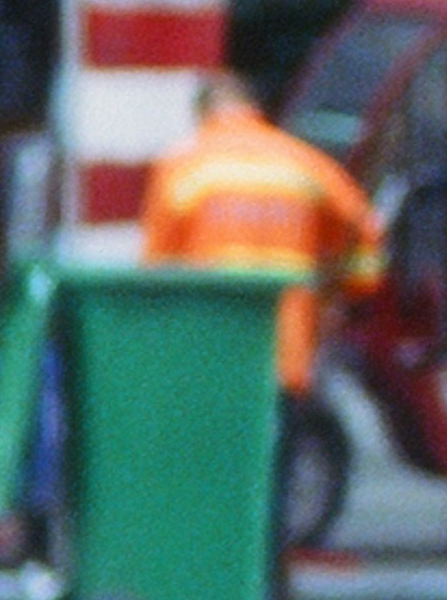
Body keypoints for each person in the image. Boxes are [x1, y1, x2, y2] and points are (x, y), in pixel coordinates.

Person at [138, 66, 386, 391]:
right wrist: (344, 294)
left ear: (202, 114)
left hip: (207, 353)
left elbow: (156, 274)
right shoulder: (305, 162)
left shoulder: (181, 167)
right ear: (255, 108)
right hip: (286, 348)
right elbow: (364, 228)